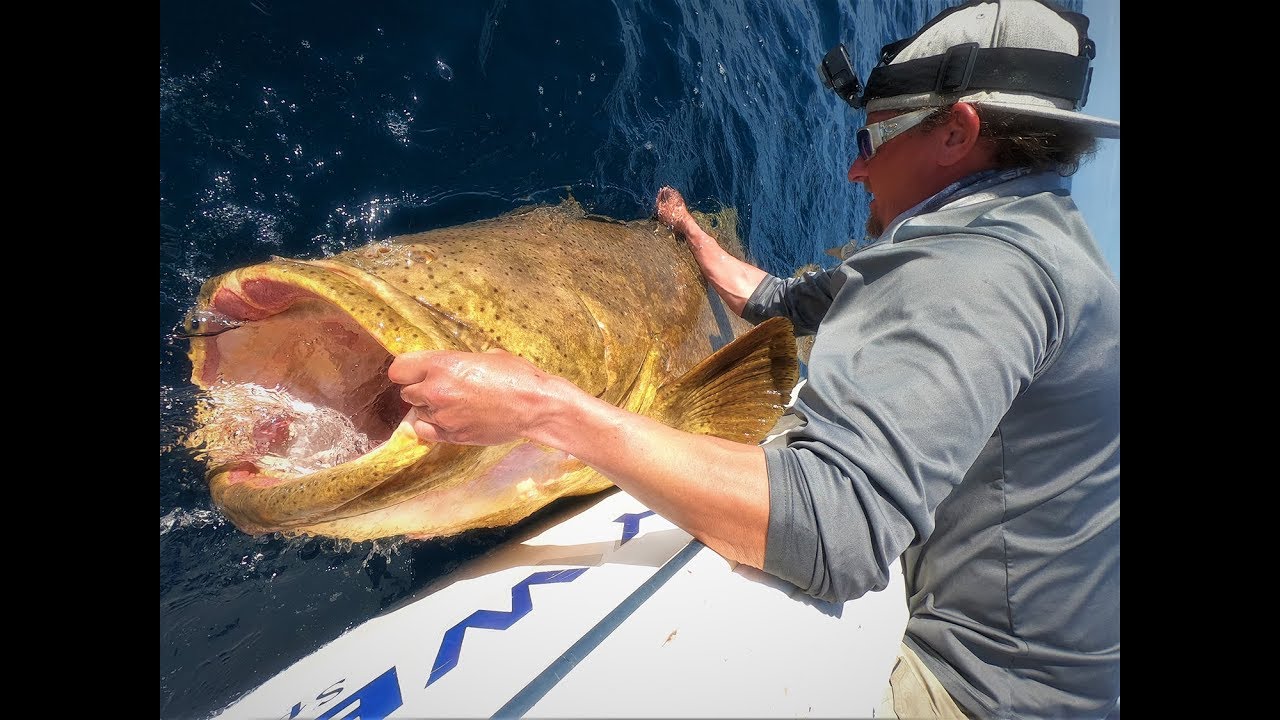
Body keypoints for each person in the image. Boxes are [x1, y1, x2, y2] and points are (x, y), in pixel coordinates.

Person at [388, 0, 1119, 717]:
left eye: (871, 138)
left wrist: (541, 408)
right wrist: (693, 235)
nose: (855, 171)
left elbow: (832, 530)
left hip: (980, 694)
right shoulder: (1002, 234)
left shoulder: (991, 270)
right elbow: (782, 303)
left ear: (956, 133)